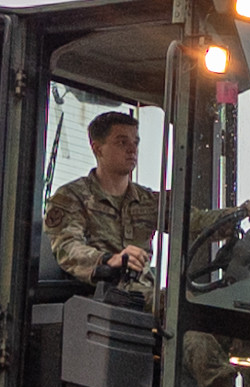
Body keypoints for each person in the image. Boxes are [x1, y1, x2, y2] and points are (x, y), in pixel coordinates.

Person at [43, 109, 163, 298]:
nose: (132, 149)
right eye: (122, 142)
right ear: (98, 148)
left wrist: (227, 219)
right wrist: (107, 261)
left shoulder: (148, 201)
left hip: (146, 298)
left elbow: (196, 220)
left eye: (135, 142)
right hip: (99, 298)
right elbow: (68, 247)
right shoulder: (72, 197)